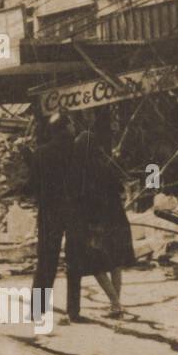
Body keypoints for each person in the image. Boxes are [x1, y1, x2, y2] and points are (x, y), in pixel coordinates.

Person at [70, 117, 131, 318]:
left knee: (96, 265)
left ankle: (115, 303)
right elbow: (121, 190)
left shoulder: (82, 173)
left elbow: (85, 201)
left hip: (98, 223)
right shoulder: (106, 167)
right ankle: (117, 303)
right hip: (118, 220)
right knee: (115, 263)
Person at [29, 112, 84, 323]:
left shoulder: (41, 153)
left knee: (45, 259)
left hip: (49, 210)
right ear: (66, 128)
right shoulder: (80, 151)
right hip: (76, 210)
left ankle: (37, 309)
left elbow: (33, 185)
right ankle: (74, 310)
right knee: (75, 260)